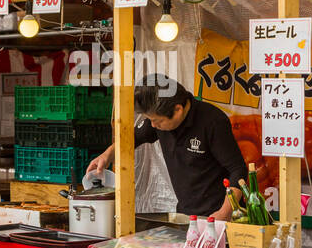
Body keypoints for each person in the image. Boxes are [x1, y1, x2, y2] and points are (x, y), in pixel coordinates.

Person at [85, 75, 247, 219]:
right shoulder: (158, 117)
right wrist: (107, 155)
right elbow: (131, 139)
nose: (153, 125)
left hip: (217, 214)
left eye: (158, 121)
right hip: (186, 214)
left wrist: (224, 212)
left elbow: (238, 170)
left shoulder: (212, 122)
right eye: (150, 120)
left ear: (178, 110)